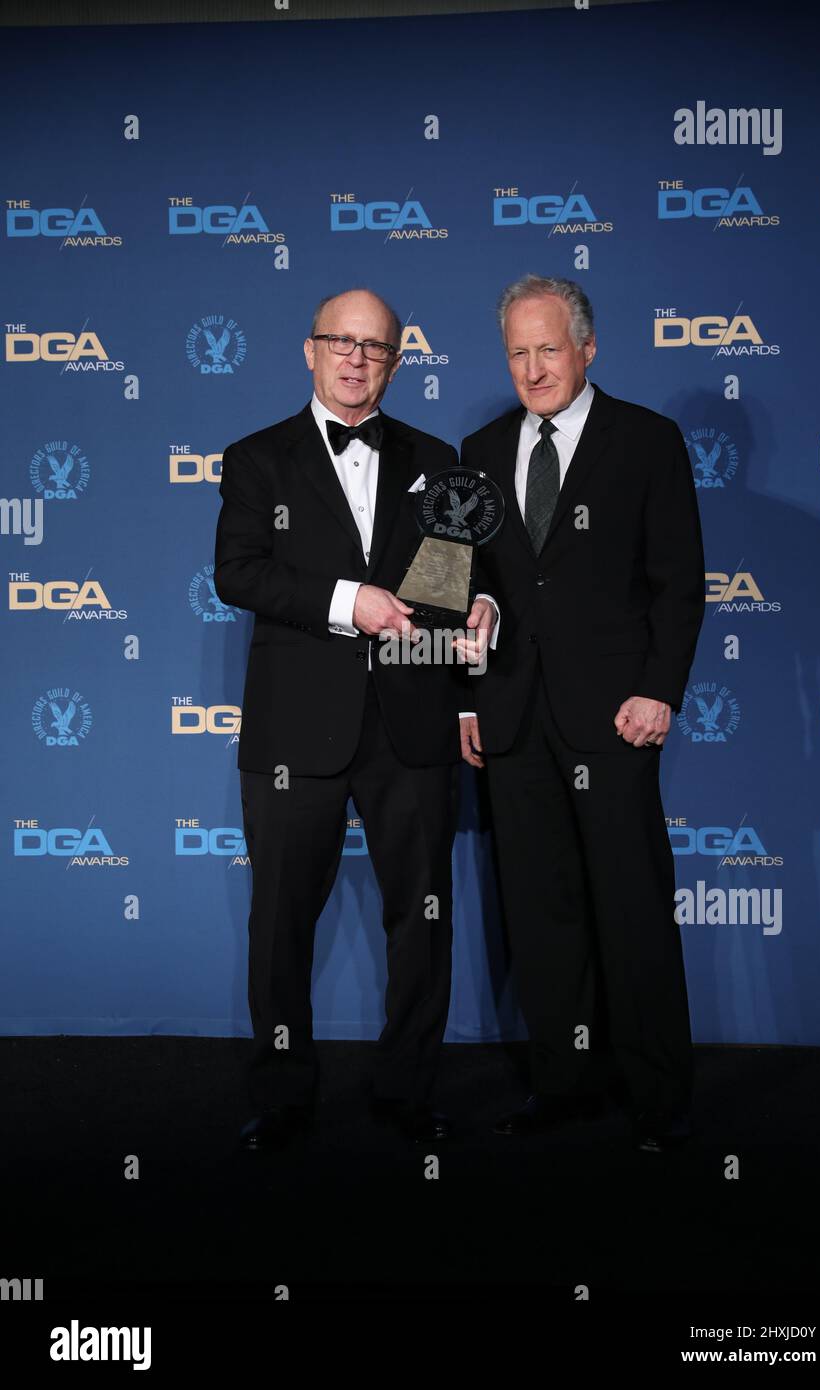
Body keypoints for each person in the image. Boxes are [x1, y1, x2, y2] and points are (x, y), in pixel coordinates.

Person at [214, 288, 495, 1149]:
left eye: (374, 346)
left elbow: (444, 591)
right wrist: (350, 602)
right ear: (310, 350)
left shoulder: (437, 455)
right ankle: (283, 1098)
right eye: (340, 340)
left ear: (396, 361)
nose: (355, 357)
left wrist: (474, 614)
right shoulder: (258, 457)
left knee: (423, 915)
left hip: (411, 720)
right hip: (296, 729)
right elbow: (239, 574)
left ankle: (407, 1089)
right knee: (280, 922)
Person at [459, 275, 705, 1152]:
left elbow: (679, 587)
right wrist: (468, 697)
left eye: (548, 349)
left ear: (588, 348)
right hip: (514, 718)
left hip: (616, 718)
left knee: (633, 911)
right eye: (518, 353)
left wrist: (661, 690)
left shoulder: (647, 442)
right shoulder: (480, 449)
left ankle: (658, 1100)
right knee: (542, 914)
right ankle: (561, 1086)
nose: (533, 368)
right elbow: (465, 587)